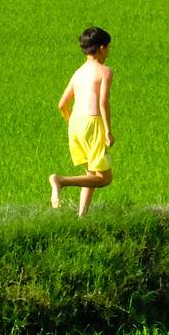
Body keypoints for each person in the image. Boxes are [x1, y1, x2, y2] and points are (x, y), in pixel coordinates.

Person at [48, 26, 115, 217]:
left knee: (91, 174)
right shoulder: (105, 71)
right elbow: (103, 102)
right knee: (104, 179)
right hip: (92, 123)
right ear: (101, 48)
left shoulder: (78, 72)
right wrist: (108, 131)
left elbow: (62, 104)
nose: (108, 52)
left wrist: (72, 123)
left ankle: (81, 216)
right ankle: (61, 181)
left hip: (75, 124)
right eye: (108, 48)